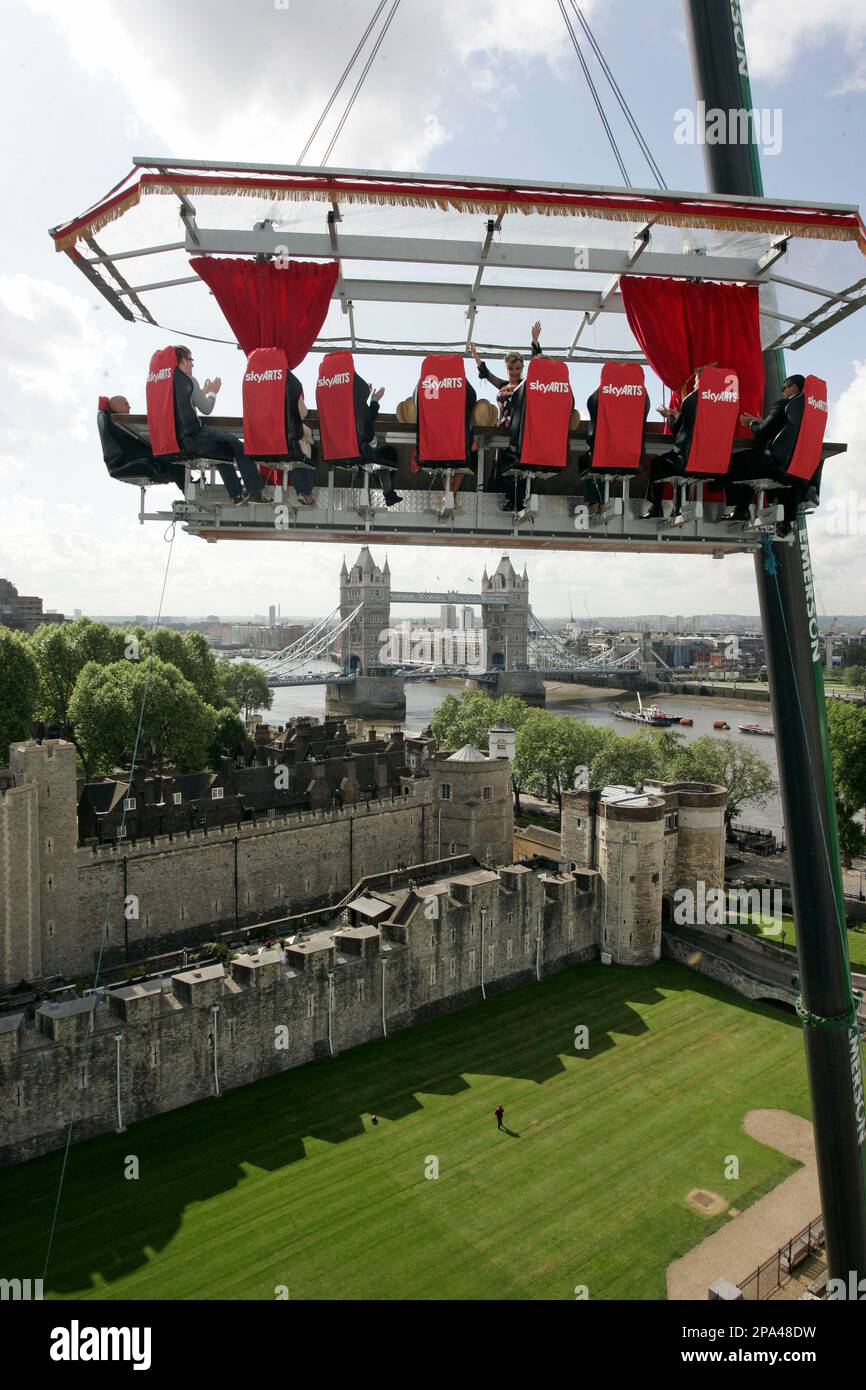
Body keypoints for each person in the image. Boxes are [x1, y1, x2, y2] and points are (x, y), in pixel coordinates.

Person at [725, 374, 819, 533]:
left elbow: (762, 433)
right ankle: (787, 520)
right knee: (781, 475)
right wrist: (764, 422)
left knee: (733, 461)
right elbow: (784, 431)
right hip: (799, 470)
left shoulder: (784, 405)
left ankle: (741, 509)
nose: (782, 392)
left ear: (793, 388)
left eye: (784, 388)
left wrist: (752, 423)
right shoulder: (811, 412)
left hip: (774, 466)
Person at [172, 345, 265, 504]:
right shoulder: (189, 380)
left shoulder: (166, 383)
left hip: (176, 439)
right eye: (190, 360)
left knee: (221, 451)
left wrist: (201, 391)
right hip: (196, 434)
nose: (192, 365)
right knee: (238, 446)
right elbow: (206, 409)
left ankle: (236, 495)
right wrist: (212, 392)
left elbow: (182, 404)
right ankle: (254, 491)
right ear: (183, 360)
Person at [469, 321, 543, 511]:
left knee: (515, 464)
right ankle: (506, 499)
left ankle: (517, 501)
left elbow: (538, 367)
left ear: (522, 369)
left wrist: (534, 341)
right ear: (507, 369)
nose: (514, 372)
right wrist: (475, 355)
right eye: (511, 369)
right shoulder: (502, 385)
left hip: (518, 430)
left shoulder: (525, 385)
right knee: (500, 464)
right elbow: (486, 374)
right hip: (501, 428)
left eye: (517, 369)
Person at [99, 395, 186, 491]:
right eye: (126, 404)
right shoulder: (117, 424)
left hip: (132, 455)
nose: (129, 407)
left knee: (172, 454)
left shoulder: (117, 423)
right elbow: (136, 439)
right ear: (117, 407)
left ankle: (189, 488)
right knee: (172, 455)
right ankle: (189, 490)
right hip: (129, 458)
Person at [356, 379, 402, 506]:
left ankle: (388, 492)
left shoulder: (346, 406)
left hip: (351, 450)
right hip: (365, 448)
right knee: (386, 451)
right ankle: (386, 491)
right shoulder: (358, 406)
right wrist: (374, 400)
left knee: (381, 458)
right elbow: (370, 417)